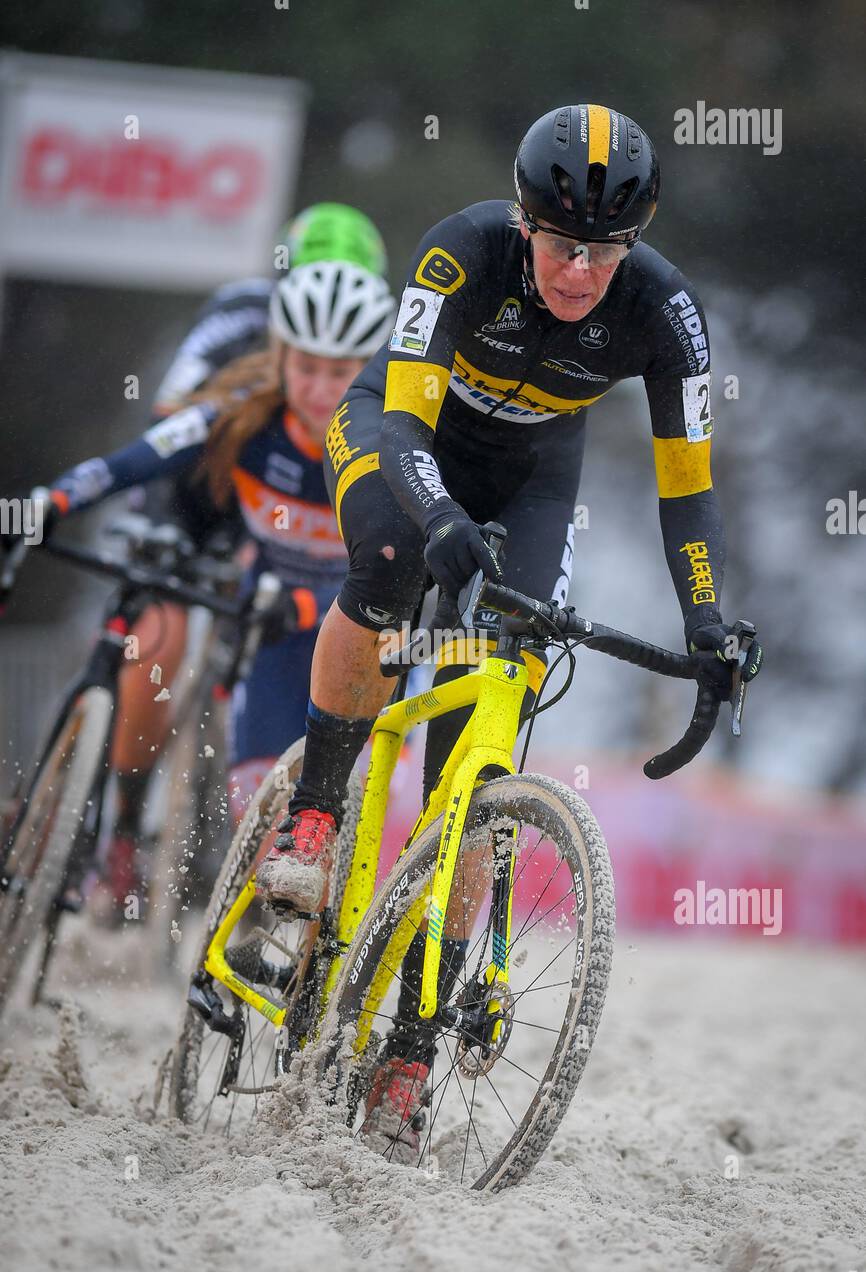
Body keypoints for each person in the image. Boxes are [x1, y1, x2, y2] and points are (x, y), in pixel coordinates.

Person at [253, 103, 764, 1160]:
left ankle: (409, 1046)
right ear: (524, 221)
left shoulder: (667, 316)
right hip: (406, 437)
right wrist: (436, 514)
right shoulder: (461, 253)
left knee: (485, 740)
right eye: (562, 243)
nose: (581, 271)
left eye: (606, 249)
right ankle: (312, 811)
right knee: (389, 565)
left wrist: (707, 618)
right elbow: (398, 421)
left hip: (533, 483)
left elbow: (687, 493)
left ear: (637, 237)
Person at [36, 260, 395, 850]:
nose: (320, 389)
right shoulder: (242, 416)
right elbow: (135, 460)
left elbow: (412, 572)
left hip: (365, 636)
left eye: (341, 371)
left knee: (361, 833)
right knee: (257, 832)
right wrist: (50, 500)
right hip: (272, 639)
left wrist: (309, 606)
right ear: (279, 356)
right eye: (305, 367)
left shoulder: (390, 440)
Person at [103, 205, 390, 905]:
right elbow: (170, 417)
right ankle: (124, 825)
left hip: (296, 493)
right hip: (210, 476)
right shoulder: (241, 310)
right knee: (159, 623)